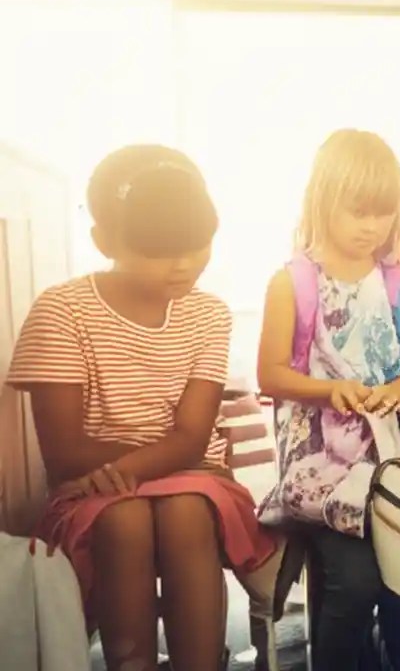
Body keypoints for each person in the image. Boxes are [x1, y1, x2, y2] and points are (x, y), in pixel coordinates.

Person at [6, 145, 280, 671]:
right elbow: (64, 453)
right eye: (158, 248)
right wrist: (152, 464)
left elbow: (194, 440)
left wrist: (134, 466)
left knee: (184, 512)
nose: (183, 263)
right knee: (126, 518)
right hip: (91, 488)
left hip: (191, 480)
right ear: (105, 241)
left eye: (197, 244)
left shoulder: (207, 314)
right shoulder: (62, 311)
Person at [256, 129, 400, 671]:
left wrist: (396, 391)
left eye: (383, 213)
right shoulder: (290, 282)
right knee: (356, 583)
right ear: (321, 200)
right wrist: (329, 390)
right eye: (357, 210)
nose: (371, 226)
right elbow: (269, 374)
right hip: (326, 468)